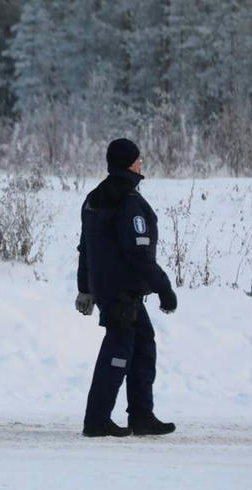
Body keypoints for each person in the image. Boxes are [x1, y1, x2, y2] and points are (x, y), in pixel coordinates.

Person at [75, 138, 177, 437]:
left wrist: (85, 288)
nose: (141, 162)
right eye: (138, 158)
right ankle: (96, 420)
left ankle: (142, 416)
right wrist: (164, 288)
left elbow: (85, 248)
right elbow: (138, 253)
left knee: (143, 345)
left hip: (111, 289)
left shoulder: (95, 197)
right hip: (122, 293)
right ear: (130, 163)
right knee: (118, 352)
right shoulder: (128, 201)